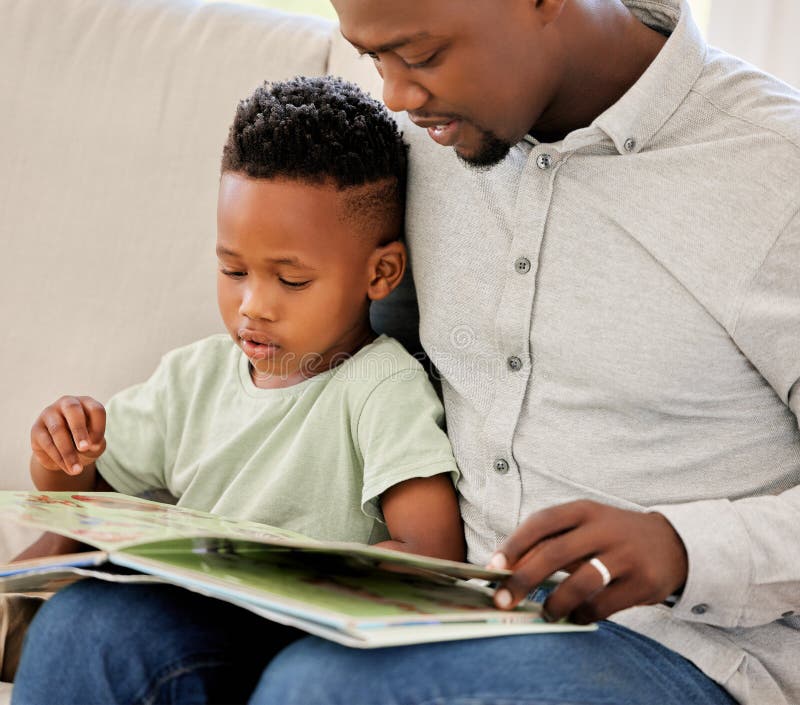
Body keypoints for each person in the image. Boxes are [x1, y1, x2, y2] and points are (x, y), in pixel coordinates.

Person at [13, 0, 800, 704]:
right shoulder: (421, 145)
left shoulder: (773, 174)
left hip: (672, 652)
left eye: (419, 55)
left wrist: (681, 546)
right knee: (95, 631)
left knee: (326, 687)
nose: (394, 95)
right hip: (426, 606)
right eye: (373, 58)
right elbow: (337, 349)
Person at [10, 76, 465, 701]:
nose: (253, 306)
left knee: (90, 630)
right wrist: (60, 450)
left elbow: (433, 553)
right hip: (184, 624)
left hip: (297, 642)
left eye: (292, 281)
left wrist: (289, 572)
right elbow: (83, 492)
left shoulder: (379, 385)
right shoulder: (194, 375)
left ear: (380, 272)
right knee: (77, 622)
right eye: (233, 270)